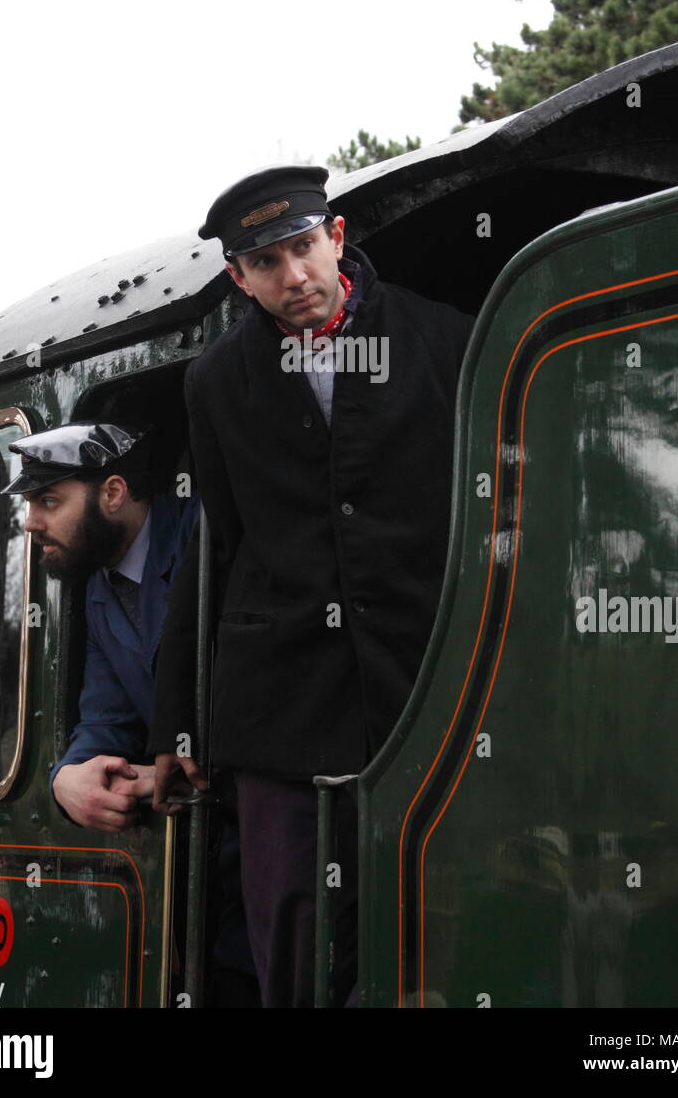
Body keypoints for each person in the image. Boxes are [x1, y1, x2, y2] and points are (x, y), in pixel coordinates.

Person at [149, 165, 474, 1007]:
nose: (293, 277)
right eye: (265, 263)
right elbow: (216, 547)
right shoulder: (215, 380)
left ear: (335, 237)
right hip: (281, 707)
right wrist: (181, 725)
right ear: (238, 278)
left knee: (445, 925)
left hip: (428, 682)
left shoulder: (449, 339)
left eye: (302, 248)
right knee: (298, 949)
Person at [1, 421, 197, 831]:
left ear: (112, 493)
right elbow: (107, 719)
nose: (31, 523)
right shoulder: (98, 590)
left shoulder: (200, 538)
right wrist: (67, 778)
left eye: (49, 502)